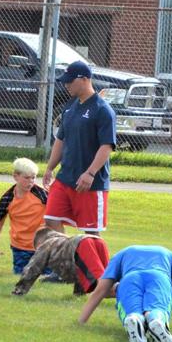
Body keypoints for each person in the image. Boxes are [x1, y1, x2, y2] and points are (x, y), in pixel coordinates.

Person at [42, 61, 116, 235]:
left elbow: (107, 146)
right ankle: (66, 258)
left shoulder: (102, 110)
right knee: (51, 219)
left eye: (70, 81)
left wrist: (90, 173)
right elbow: (61, 140)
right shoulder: (70, 108)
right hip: (65, 177)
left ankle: (92, 262)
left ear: (83, 79)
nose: (66, 85)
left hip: (90, 183)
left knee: (91, 233)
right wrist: (50, 168)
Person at [78, 245, 172, 342]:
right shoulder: (169, 254)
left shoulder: (122, 254)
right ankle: (156, 319)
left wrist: (81, 322)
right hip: (159, 277)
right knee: (158, 308)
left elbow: (100, 291)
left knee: (132, 311)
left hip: (130, 278)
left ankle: (135, 318)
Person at [0, 158, 48, 274]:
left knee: (46, 278)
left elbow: (57, 214)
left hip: (43, 246)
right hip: (20, 247)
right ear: (15, 176)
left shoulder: (42, 194)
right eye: (26, 178)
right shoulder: (7, 198)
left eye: (33, 177)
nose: (31, 181)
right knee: (21, 276)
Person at [11, 228, 109, 297]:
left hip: (84, 244)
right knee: (110, 277)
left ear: (40, 243)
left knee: (103, 284)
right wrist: (78, 294)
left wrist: (19, 290)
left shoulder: (47, 244)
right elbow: (78, 270)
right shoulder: (65, 241)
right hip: (98, 241)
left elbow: (33, 268)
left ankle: (120, 296)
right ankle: (121, 289)